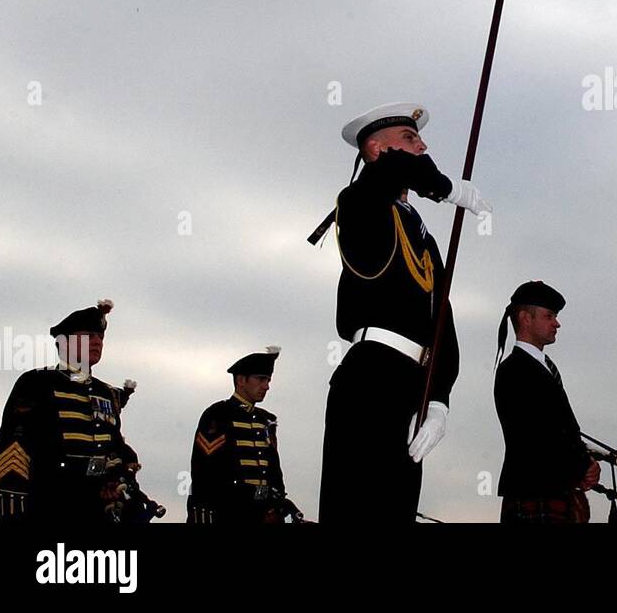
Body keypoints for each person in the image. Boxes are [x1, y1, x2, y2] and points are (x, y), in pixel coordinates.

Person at [314, 102, 490, 523]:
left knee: (397, 511)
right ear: (376, 149)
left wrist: (439, 399)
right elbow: (392, 174)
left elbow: (440, 316)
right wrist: (448, 188)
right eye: (410, 139)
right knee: (357, 509)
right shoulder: (360, 203)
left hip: (413, 384)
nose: (423, 146)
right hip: (371, 376)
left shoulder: (420, 233)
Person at [0, 301, 149, 523]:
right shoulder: (37, 383)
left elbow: (115, 447)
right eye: (89, 336)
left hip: (99, 507)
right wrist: (15, 504)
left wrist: (119, 477)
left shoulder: (107, 393)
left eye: (100, 337)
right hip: (51, 503)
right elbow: (13, 447)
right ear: (64, 342)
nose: (97, 342)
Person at [493, 281, 599, 523]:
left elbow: (561, 429)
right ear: (525, 318)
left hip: (551, 490)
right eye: (549, 315)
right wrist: (583, 465)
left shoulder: (542, 367)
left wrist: (583, 464)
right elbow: (541, 432)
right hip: (533, 490)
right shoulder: (514, 370)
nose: (557, 323)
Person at [188, 346, 305, 523]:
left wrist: (277, 503)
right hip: (228, 511)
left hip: (263, 511)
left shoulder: (266, 419)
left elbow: (273, 469)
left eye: (268, 380)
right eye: (261, 379)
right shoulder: (218, 414)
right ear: (241, 380)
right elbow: (204, 471)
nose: (266, 386)